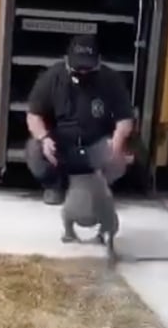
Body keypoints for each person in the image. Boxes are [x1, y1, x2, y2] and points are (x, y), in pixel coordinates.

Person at [24, 34, 136, 205]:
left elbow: (125, 119)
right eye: (78, 67)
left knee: (120, 156)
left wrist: (117, 140)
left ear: (98, 61)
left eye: (88, 67)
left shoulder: (111, 80)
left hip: (95, 143)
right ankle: (55, 187)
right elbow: (33, 115)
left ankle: (96, 189)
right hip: (61, 145)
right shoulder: (52, 77)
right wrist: (44, 138)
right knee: (34, 149)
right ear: (67, 60)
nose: (83, 72)